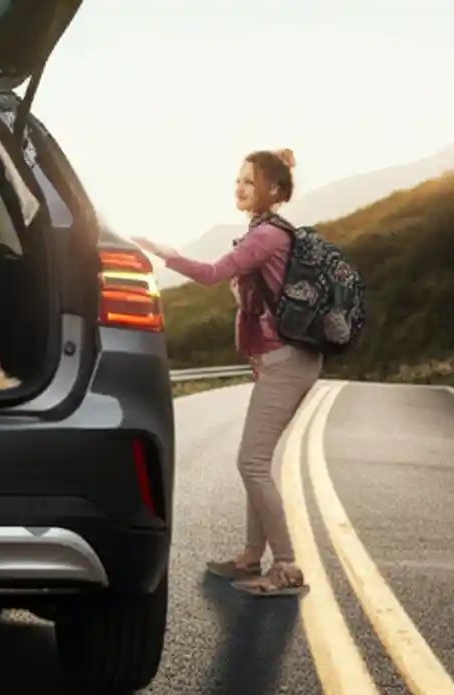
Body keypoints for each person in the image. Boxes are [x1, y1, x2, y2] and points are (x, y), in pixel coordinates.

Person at [133, 148, 318, 597]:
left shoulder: (266, 236)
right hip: (280, 360)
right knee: (258, 460)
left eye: (249, 181)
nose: (240, 187)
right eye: (238, 179)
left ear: (273, 189)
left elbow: (215, 274)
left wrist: (166, 255)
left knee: (251, 462)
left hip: (287, 362)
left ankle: (287, 566)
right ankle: (252, 556)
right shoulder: (266, 232)